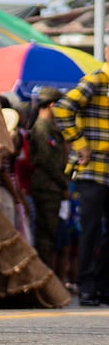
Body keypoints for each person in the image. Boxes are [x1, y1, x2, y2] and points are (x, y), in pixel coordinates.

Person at [52, 67, 109, 307]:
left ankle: (102, 287)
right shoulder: (97, 79)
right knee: (90, 230)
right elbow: (63, 108)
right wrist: (79, 142)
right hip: (93, 169)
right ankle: (86, 286)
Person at [28, 87, 69, 274]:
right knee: (45, 236)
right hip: (47, 187)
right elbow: (46, 160)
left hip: (52, 187)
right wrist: (63, 183)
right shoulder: (42, 128)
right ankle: (43, 276)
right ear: (52, 105)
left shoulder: (50, 127)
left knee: (51, 235)